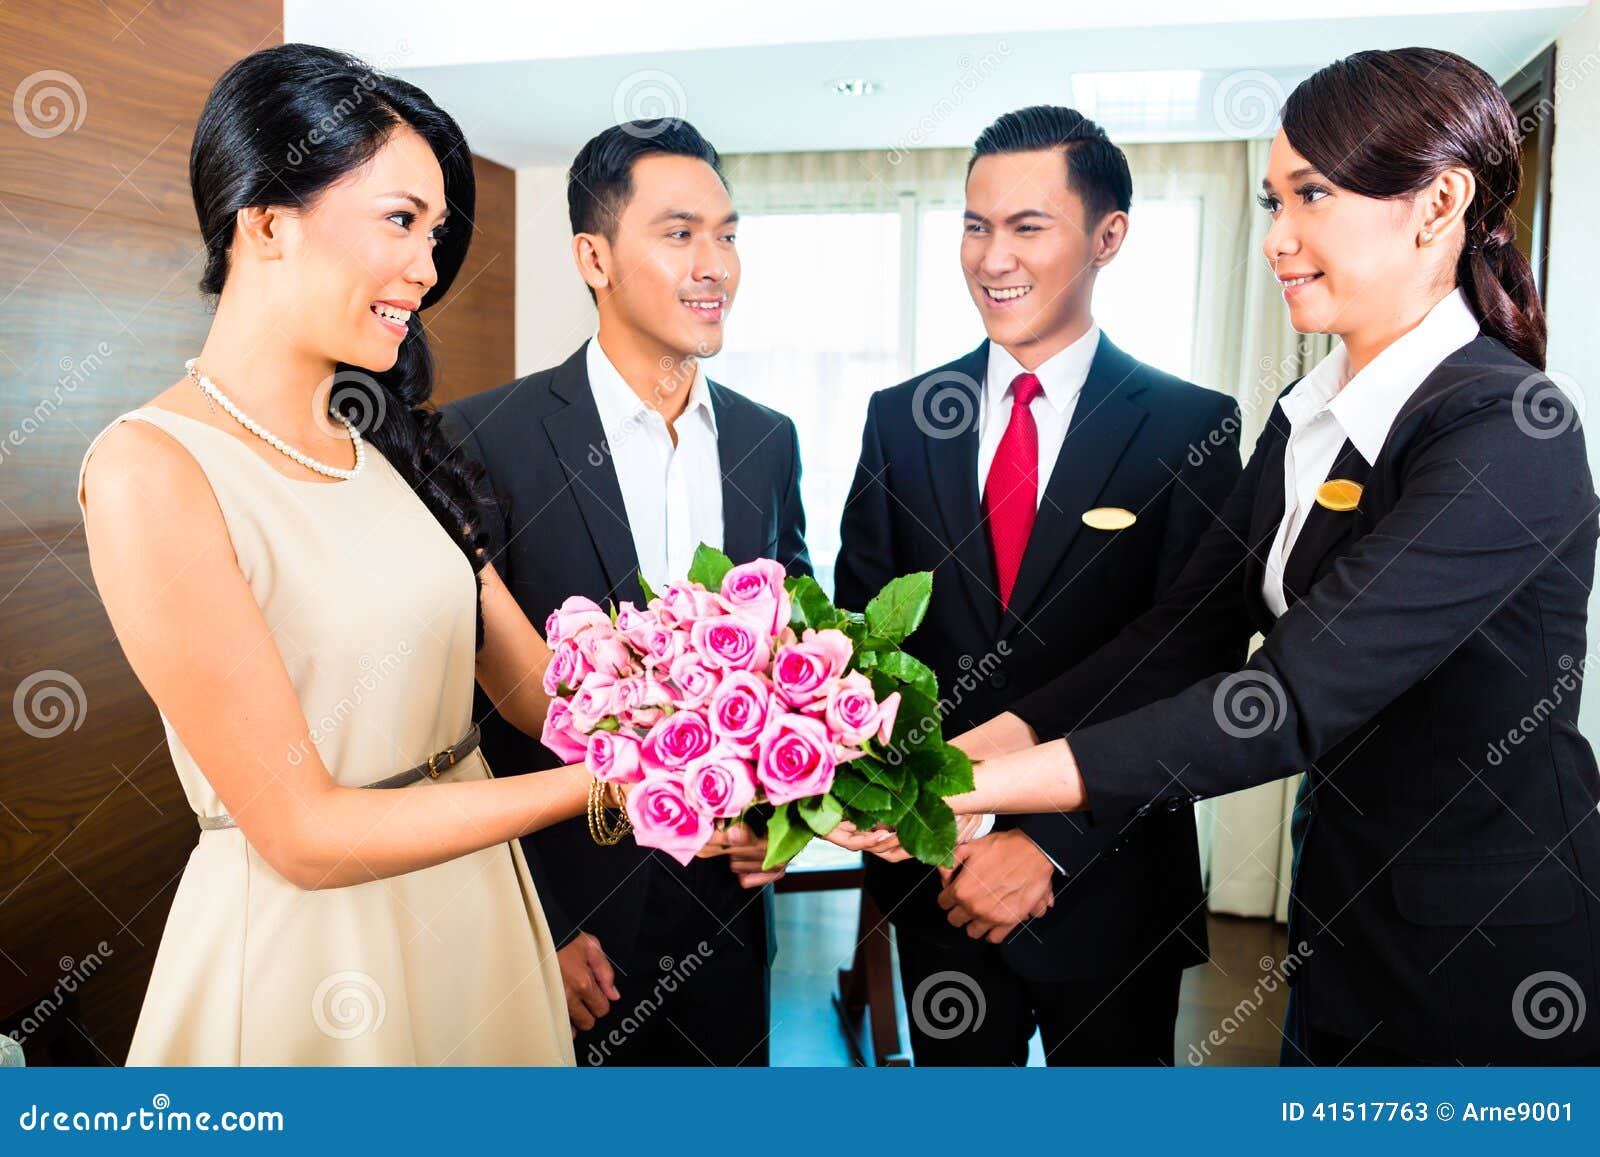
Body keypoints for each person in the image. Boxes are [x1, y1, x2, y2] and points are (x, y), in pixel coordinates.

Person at [908, 48, 1600, 1065]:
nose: (1277, 239)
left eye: (1311, 197)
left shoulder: (1509, 426)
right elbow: (1180, 635)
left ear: (1438, 201)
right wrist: (987, 740)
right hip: (1343, 905)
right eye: (1273, 200)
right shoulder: (1307, 416)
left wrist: (984, 789)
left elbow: (1287, 695)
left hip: (1484, 943)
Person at [76, 44, 614, 1065]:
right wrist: (605, 785)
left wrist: (728, 711)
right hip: (317, 955)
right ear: (268, 222)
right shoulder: (153, 468)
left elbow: (543, 692)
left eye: (435, 233)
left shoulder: (391, 449)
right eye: (402, 221)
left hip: (474, 913)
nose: (426, 267)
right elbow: (305, 832)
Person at [832, 106, 1241, 1066]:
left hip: (1110, 877)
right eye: (975, 226)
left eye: (1027, 226)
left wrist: (1050, 841)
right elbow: (860, 643)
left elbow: (1194, 657)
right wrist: (926, 818)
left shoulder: (1192, 426)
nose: (991, 257)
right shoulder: (902, 421)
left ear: (1108, 237)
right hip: (939, 881)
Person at [441, 120, 809, 1066]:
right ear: (593, 256)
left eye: (728, 234)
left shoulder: (769, 442)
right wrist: (541, 920)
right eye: (679, 233)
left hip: (732, 902)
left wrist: (781, 816)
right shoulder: (485, 438)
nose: (715, 264)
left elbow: (796, 660)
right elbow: (459, 720)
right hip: (576, 916)